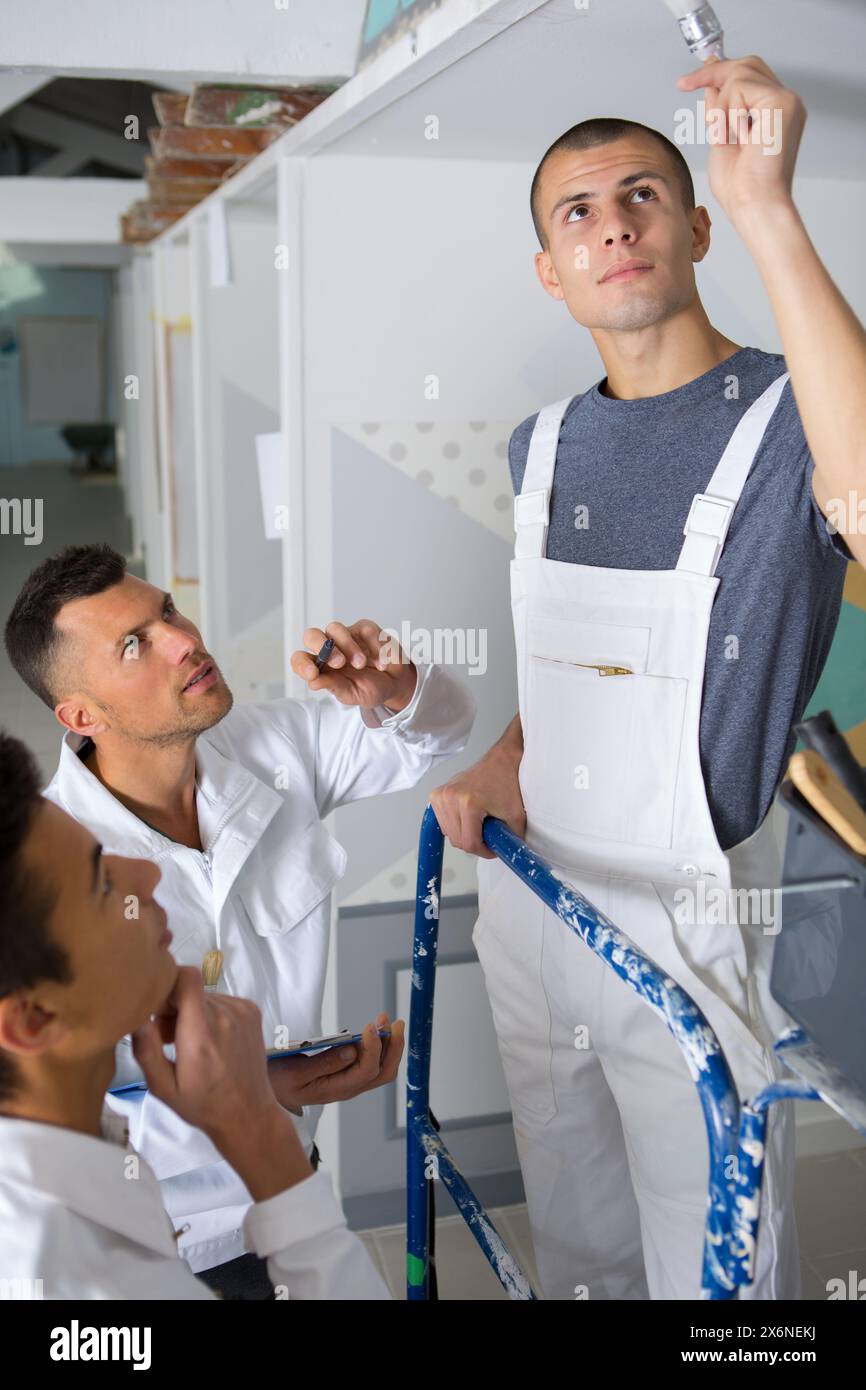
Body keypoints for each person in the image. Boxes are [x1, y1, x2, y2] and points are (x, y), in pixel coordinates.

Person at [432, 54, 864, 1300]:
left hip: (689, 911)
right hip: (535, 897)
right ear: (549, 268)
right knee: (581, 1243)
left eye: (641, 195)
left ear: (695, 227)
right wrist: (506, 754)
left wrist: (771, 204)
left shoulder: (793, 417)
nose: (611, 225)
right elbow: (579, 666)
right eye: (576, 211)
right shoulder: (540, 447)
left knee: (715, 1263)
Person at [4, 545, 475, 1291]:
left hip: (291, 1182)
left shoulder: (267, 746)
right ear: (81, 715)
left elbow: (437, 734)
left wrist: (394, 689)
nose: (183, 640)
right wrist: (263, 1096)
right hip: (170, 1242)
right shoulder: (46, 873)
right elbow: (51, 1115)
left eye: (167, 612)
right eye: (135, 645)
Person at [0, 731, 390, 1299]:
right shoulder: (91, 1286)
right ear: (33, 1019)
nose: (149, 876)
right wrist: (266, 1140)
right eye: (100, 882)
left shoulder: (73, 1165)